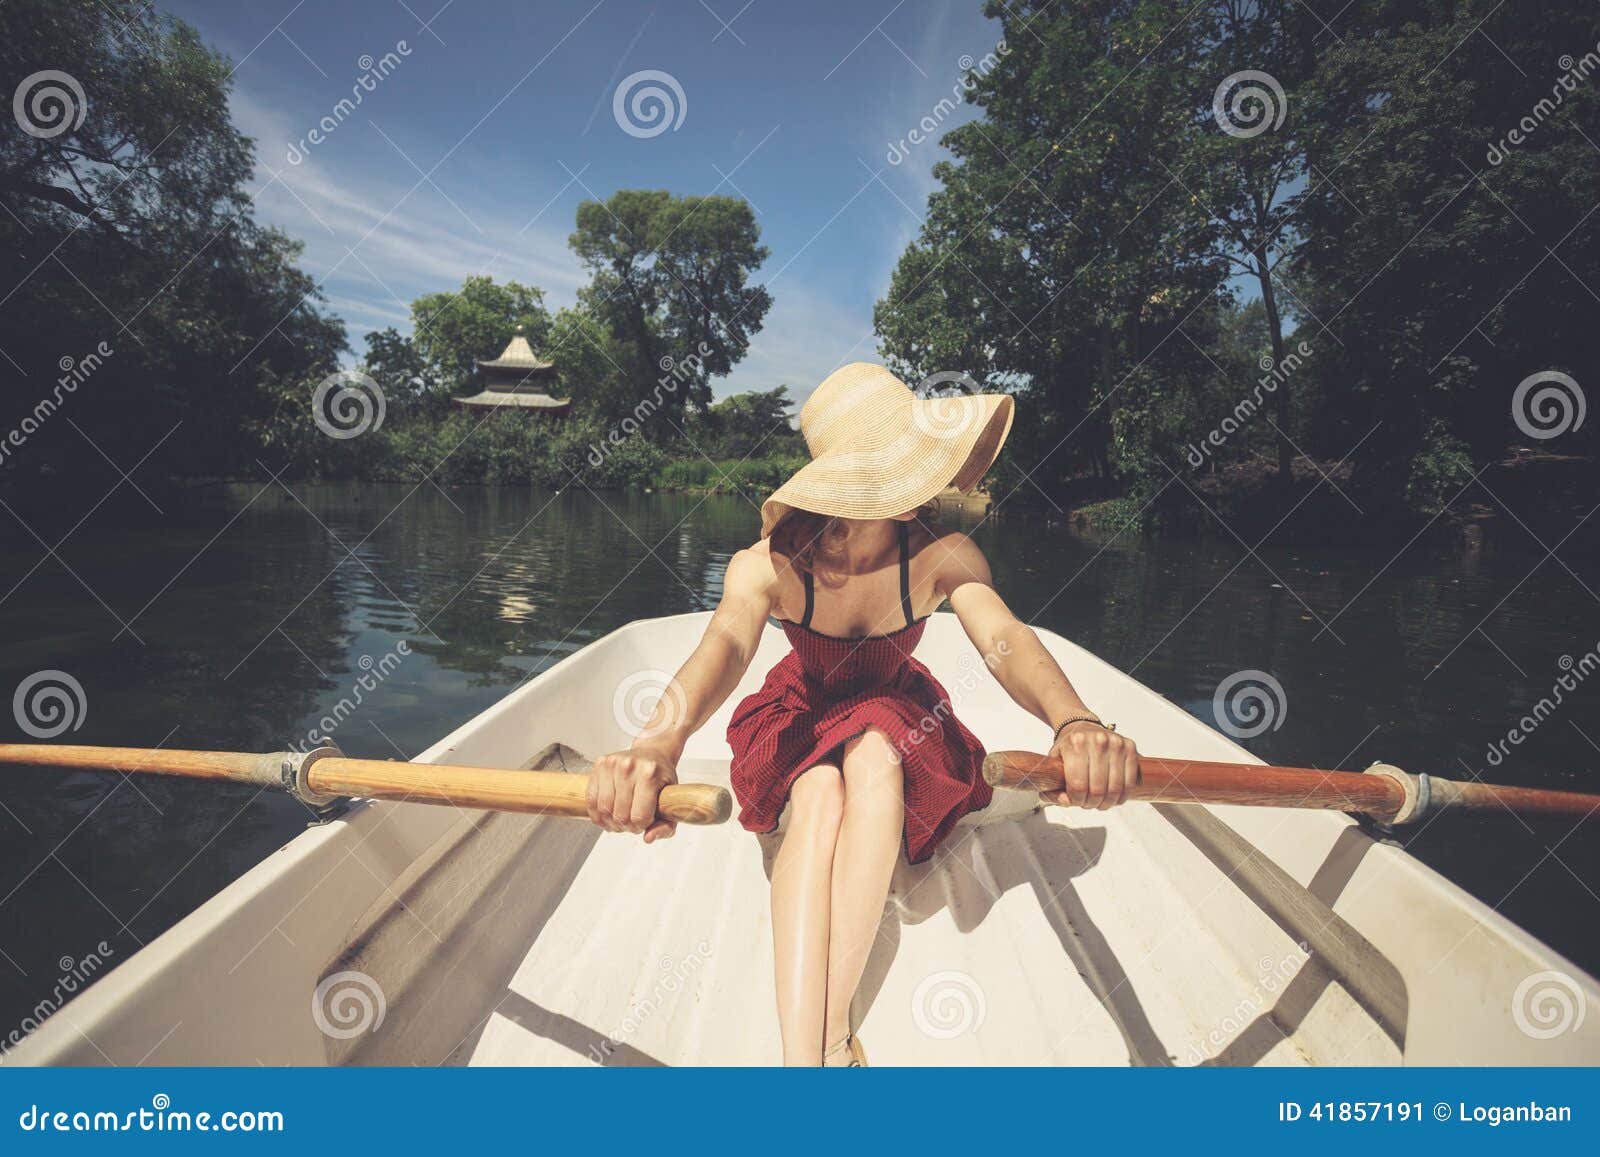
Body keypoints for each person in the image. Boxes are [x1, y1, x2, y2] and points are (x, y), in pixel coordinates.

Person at [586, 362, 1140, 1066]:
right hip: (801, 711)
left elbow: (1004, 638)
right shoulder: (767, 564)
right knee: (818, 792)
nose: (923, 482)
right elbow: (724, 644)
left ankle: (818, 1051)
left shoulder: (944, 555)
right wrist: (657, 741)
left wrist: (1073, 720)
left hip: (899, 717)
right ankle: (813, 1055)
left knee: (875, 749)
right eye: (901, 466)